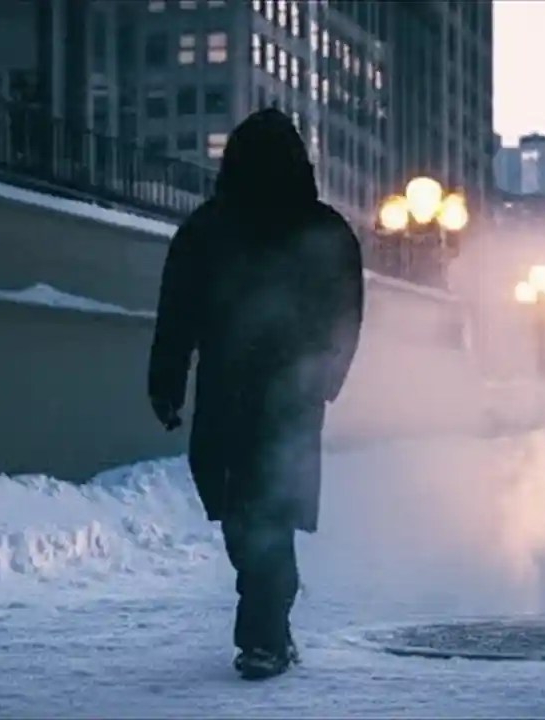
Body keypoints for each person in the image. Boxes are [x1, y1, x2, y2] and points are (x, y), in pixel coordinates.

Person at [147, 109, 364, 681]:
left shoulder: (211, 228)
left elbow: (177, 314)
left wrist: (167, 382)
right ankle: (272, 620)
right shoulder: (319, 228)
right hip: (277, 394)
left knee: (253, 512)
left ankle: (262, 635)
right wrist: (329, 376)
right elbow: (347, 313)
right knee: (262, 513)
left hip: (246, 392)